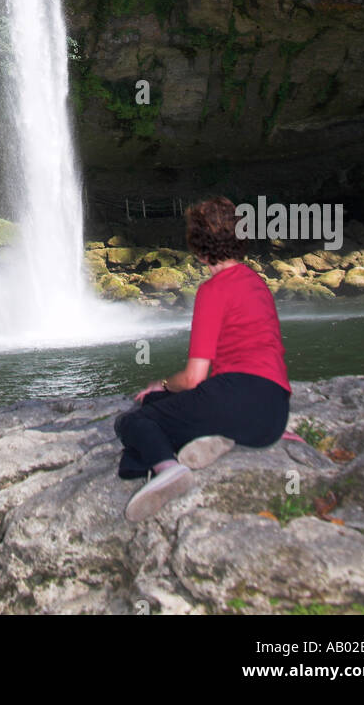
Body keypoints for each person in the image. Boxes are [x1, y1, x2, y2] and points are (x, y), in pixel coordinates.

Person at [115, 195, 291, 523]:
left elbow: (195, 378)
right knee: (175, 409)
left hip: (235, 399)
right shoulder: (258, 284)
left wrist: (162, 383)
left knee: (137, 419)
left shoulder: (214, 291)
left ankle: (167, 470)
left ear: (197, 247)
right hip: (273, 417)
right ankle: (214, 440)